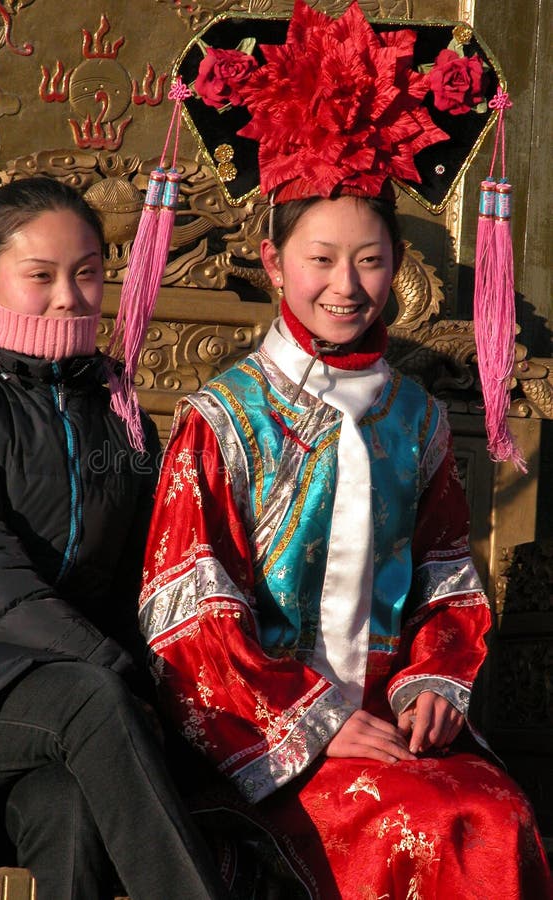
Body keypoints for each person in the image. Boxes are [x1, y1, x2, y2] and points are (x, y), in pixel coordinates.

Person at [138, 3, 552, 897]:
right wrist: (315, 717)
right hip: (267, 736)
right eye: (319, 259)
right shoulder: (226, 418)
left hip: (395, 721)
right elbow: (186, 618)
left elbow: (446, 571)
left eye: (368, 261)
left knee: (503, 814)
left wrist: (431, 680)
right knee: (432, 824)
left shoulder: (414, 419)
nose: (343, 285)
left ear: (395, 263)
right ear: (272, 258)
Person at [0, 175, 227, 900]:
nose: (70, 295)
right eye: (41, 276)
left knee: (69, 807)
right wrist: (114, 671)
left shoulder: (117, 411)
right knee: (93, 702)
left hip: (64, 688)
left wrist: (183, 675)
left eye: (89, 273)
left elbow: (147, 574)